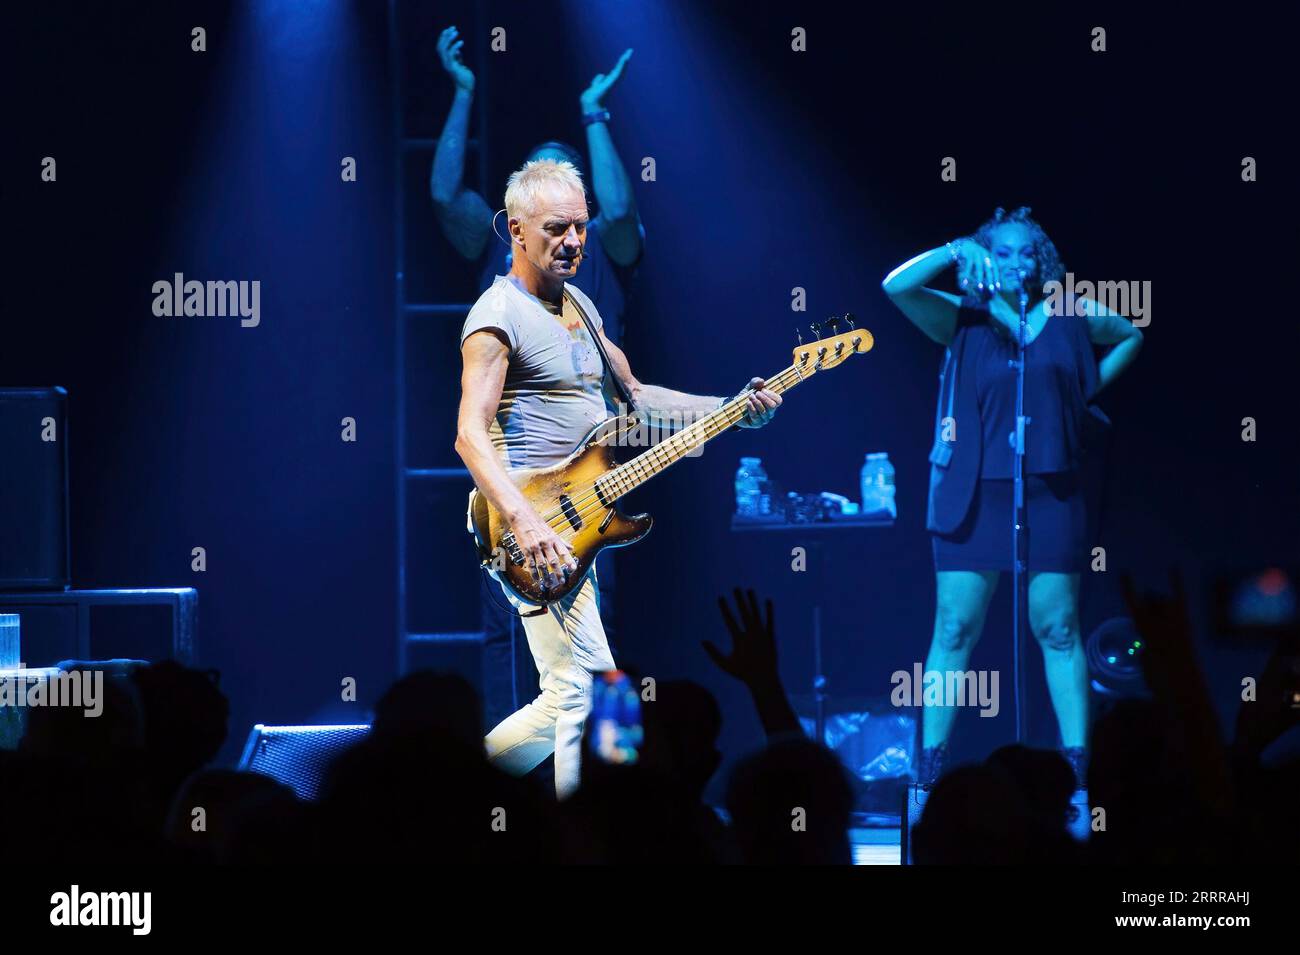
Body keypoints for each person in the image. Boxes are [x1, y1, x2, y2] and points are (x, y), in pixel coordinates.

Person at [455, 158, 780, 797]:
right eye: (557, 228)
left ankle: (448, 796)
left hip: (583, 522)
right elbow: (469, 435)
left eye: (580, 227)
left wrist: (730, 409)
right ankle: (590, 834)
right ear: (516, 231)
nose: (574, 240)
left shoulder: (580, 305)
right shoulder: (494, 316)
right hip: (530, 528)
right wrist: (526, 520)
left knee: (576, 696)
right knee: (588, 695)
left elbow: (635, 398)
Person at [881, 206, 1143, 788]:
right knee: (953, 629)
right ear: (986, 258)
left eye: (1027, 252)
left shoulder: (1071, 314)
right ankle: (927, 778)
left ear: (1041, 260)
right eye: (1002, 251)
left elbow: (1131, 333)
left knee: (1058, 628)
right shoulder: (962, 319)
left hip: (1051, 491)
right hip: (972, 493)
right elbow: (895, 285)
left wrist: (1085, 389)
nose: (1017, 261)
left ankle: (1075, 775)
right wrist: (953, 250)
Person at [432, 27, 645, 727]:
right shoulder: (502, 285)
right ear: (518, 223)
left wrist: (594, 113)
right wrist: (462, 94)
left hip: (587, 474)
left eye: (571, 197)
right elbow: (444, 196)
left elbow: (618, 215)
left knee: (594, 644)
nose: (567, 233)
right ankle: (506, 800)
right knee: (512, 633)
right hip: (518, 479)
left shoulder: (595, 261)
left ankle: (606, 789)